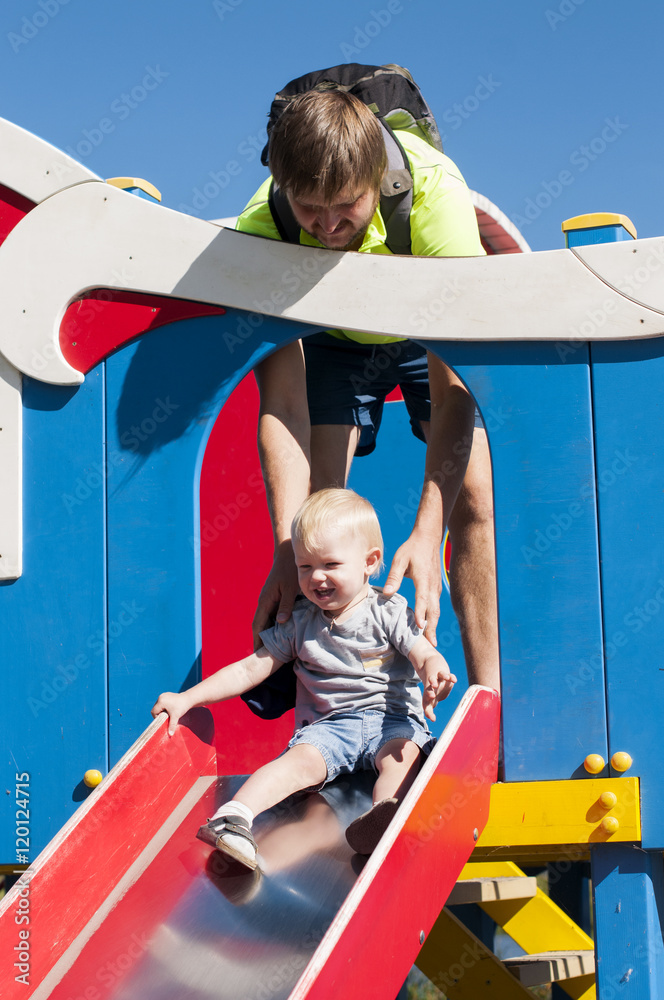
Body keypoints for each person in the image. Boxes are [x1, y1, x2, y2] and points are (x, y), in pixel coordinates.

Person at [236, 89, 500, 692]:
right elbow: (280, 400)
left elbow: (452, 379)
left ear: (376, 180)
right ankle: (336, 698)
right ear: (283, 189)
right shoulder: (263, 225)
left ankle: (491, 700)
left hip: (422, 326)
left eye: (346, 206)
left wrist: (428, 532)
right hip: (331, 335)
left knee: (474, 501)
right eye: (309, 209)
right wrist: (286, 548)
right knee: (320, 521)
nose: (328, 227)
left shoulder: (434, 195)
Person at [152, 489, 456, 869]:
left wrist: (434, 671)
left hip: (390, 718)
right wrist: (188, 698)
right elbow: (250, 668)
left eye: (330, 564)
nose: (317, 577)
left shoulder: (387, 610)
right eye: (304, 567)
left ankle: (385, 816)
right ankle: (234, 818)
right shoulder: (299, 622)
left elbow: (423, 652)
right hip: (329, 727)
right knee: (297, 762)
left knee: (403, 756)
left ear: (369, 562)